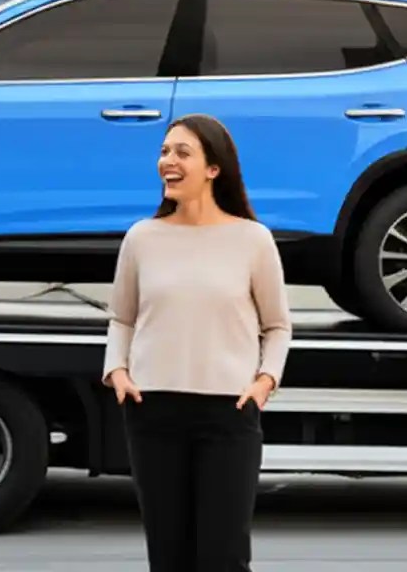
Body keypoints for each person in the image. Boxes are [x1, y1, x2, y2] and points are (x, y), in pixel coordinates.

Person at [101, 113, 293, 572]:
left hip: (228, 412)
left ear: (213, 168)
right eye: (165, 151)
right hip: (153, 410)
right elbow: (121, 317)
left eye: (182, 152)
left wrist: (264, 382)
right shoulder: (142, 238)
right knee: (168, 557)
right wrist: (118, 371)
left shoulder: (252, 240)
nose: (168, 160)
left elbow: (278, 326)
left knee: (222, 556)